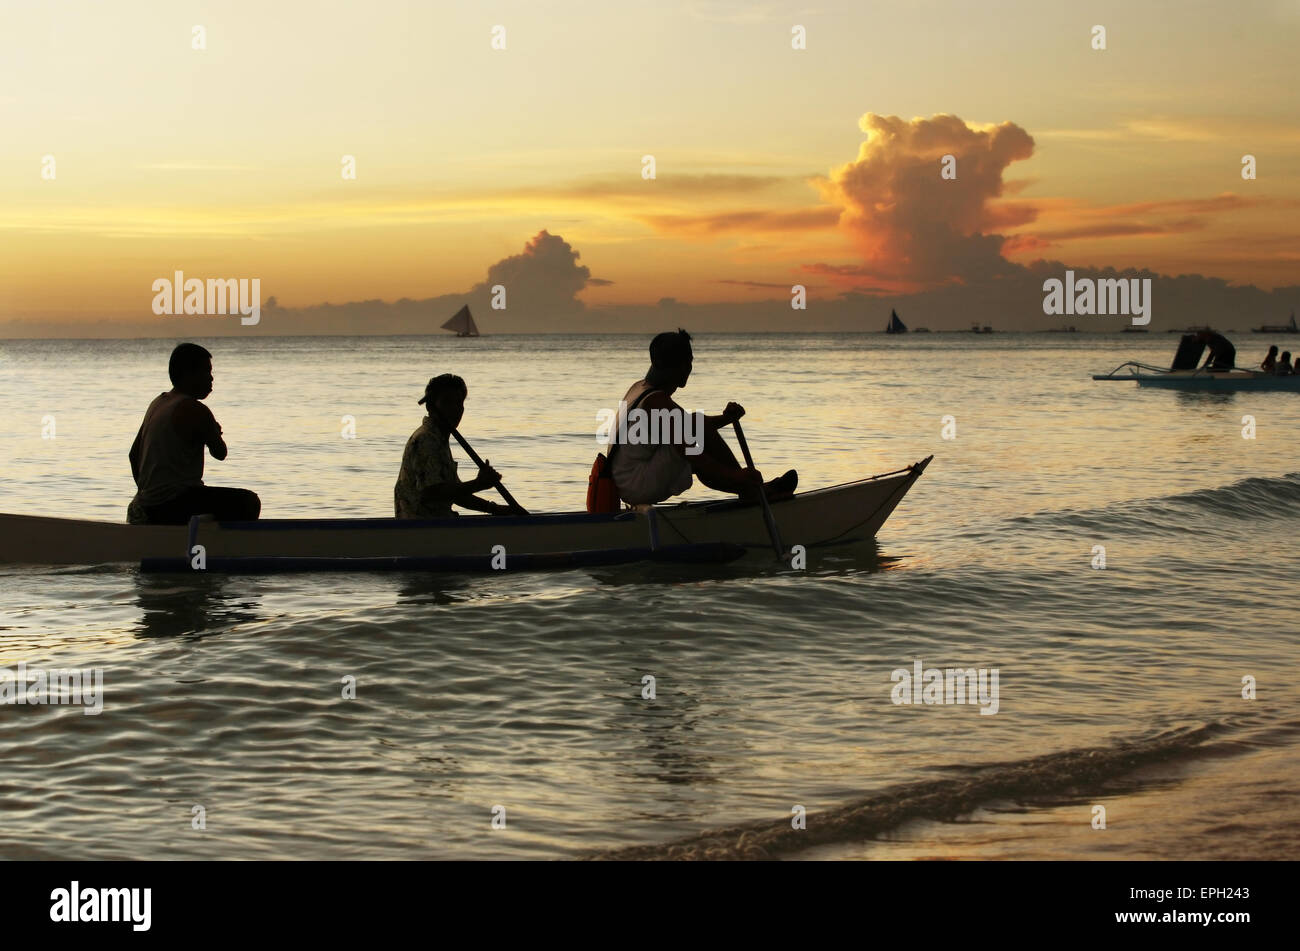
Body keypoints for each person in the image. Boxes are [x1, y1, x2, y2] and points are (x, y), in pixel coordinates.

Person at [608, 329, 797, 506]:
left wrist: (726, 419)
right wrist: (735, 476)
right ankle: (751, 491)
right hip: (635, 484)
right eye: (688, 362)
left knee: (697, 426)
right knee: (697, 440)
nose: (690, 368)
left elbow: (690, 424)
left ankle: (750, 490)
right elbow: (690, 451)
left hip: (627, 481)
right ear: (675, 366)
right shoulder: (655, 401)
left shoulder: (641, 388)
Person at [127, 343, 261, 524]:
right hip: (174, 504)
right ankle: (215, 543)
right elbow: (220, 453)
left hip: (143, 504)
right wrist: (214, 432)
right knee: (249, 502)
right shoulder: (196, 410)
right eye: (206, 372)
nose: (211, 378)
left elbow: (133, 455)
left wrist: (148, 494)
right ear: (188, 374)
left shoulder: (158, 403)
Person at [394, 374, 512, 518]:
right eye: (447, 403)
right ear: (430, 407)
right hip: (423, 528)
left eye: (459, 403)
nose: (454, 410)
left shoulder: (439, 438)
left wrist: (494, 508)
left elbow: (456, 494)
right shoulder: (426, 440)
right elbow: (432, 492)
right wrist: (478, 484)